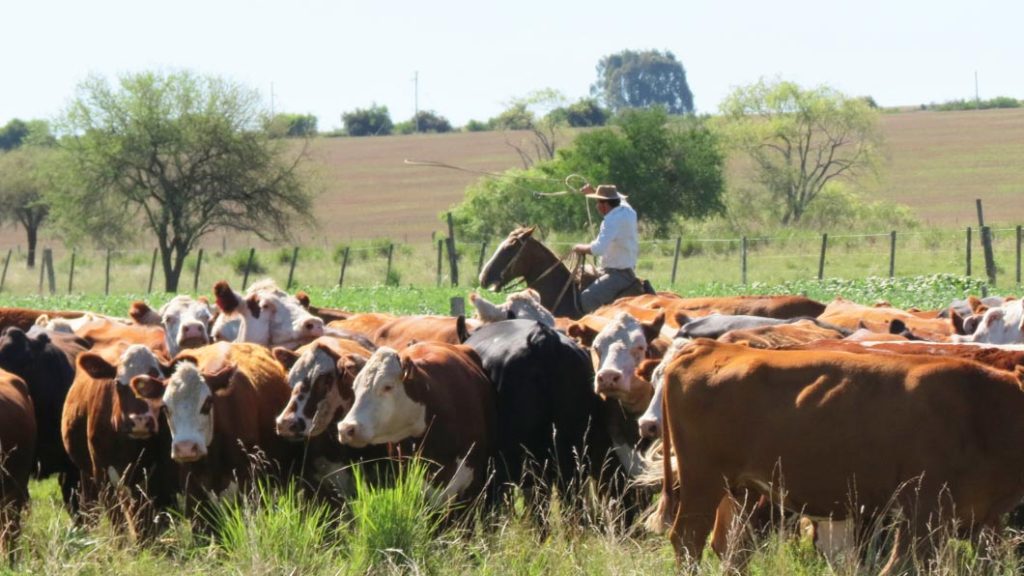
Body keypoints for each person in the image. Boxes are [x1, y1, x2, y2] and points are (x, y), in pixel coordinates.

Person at [571, 184, 639, 313]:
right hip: (620, 269)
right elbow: (619, 198)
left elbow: (598, 249)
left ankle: (596, 328)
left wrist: (579, 247)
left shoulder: (611, 221)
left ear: (604, 205)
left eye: (598, 202)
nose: (596, 206)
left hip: (618, 274)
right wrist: (594, 191)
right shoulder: (628, 211)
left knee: (588, 298)